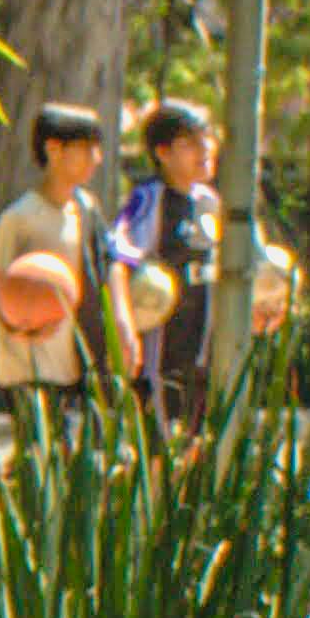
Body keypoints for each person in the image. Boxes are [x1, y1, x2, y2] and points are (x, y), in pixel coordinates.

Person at [0, 99, 127, 406]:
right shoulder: (19, 217)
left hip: (70, 366)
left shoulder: (87, 209)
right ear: (54, 149)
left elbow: (111, 265)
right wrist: (16, 325)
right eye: (85, 148)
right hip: (26, 368)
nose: (96, 159)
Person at [111, 99, 219, 431]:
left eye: (207, 139)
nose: (204, 150)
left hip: (204, 355)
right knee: (161, 452)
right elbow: (118, 259)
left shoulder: (210, 203)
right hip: (162, 356)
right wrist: (124, 323)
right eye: (189, 144)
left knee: (195, 448)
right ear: (163, 153)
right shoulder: (150, 199)